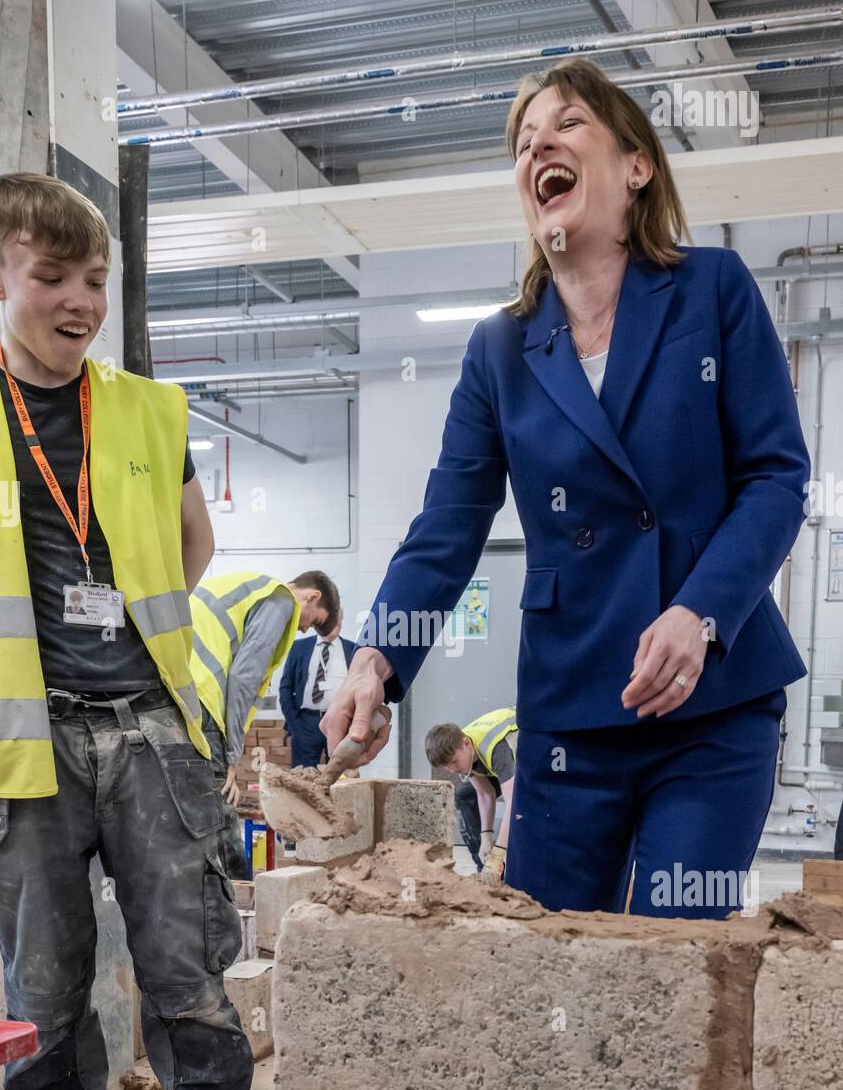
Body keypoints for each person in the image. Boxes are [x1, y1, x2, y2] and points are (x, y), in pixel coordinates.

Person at [323, 57, 810, 922]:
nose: (539, 142)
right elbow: (449, 522)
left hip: (711, 705)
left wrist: (700, 613)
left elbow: (775, 479)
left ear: (636, 166)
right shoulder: (500, 349)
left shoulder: (712, 291)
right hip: (569, 713)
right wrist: (375, 658)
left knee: (670, 966)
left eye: (569, 124)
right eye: (522, 140)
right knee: (544, 965)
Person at [0, 172, 275, 1090]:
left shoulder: (146, 409)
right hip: (23, 739)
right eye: (51, 277)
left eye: (94, 280)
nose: (78, 301)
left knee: (185, 958)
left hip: (149, 725)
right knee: (44, 976)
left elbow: (191, 546)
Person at [191, 569, 339, 875]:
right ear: (312, 597)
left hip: (182, 691)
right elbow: (245, 678)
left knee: (192, 803)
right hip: (201, 695)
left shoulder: (250, 586)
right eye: (313, 621)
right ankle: (237, 902)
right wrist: (231, 756)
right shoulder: (279, 600)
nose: (303, 630)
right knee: (221, 808)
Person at [425, 709, 517, 881]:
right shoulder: (463, 747)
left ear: (466, 743)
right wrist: (486, 836)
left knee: (524, 808)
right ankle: (487, 871)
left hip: (535, 750)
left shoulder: (494, 747)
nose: (452, 770)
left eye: (453, 762)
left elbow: (514, 800)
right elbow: (485, 794)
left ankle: (509, 870)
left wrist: (500, 850)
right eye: (447, 766)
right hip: (504, 763)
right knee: (464, 796)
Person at [279, 606, 356, 768]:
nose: (335, 623)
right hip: (306, 723)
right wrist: (294, 722)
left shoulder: (353, 650)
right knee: (302, 780)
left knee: (340, 778)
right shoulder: (299, 648)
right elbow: (286, 687)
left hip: (341, 723)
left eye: (338, 619)